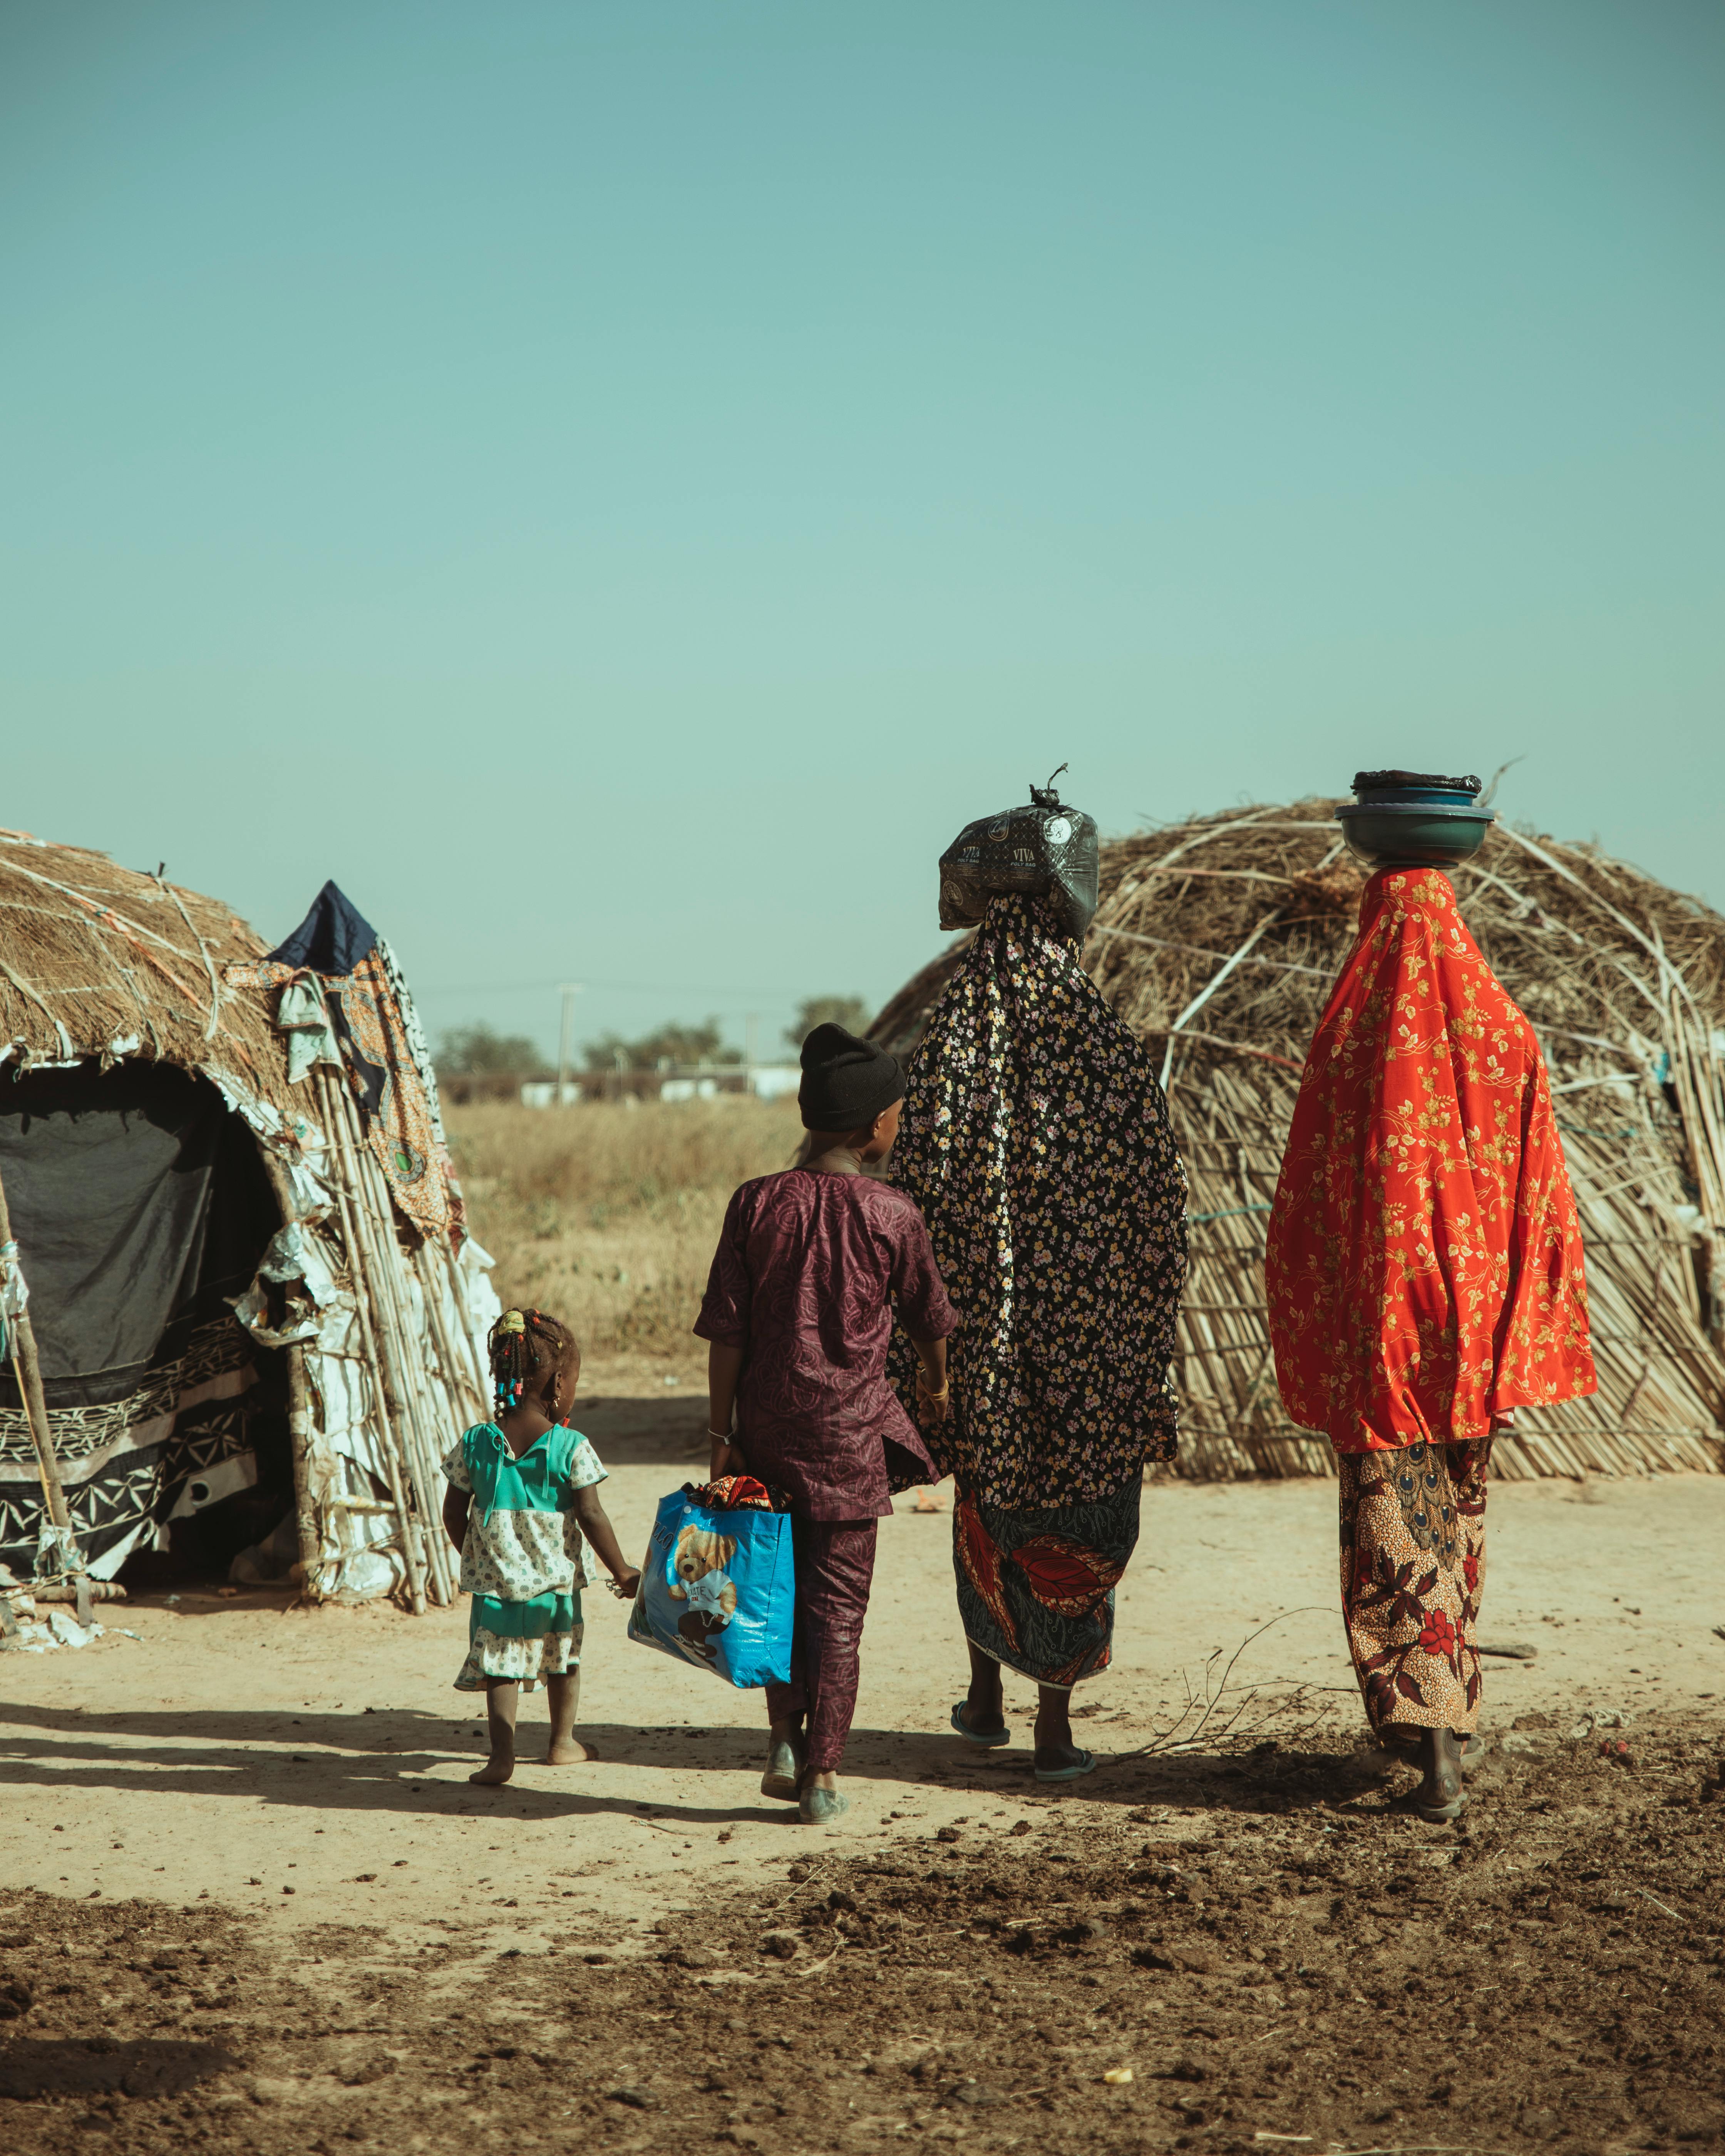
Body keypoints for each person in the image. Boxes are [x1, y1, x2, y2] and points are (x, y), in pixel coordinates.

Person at [1266, 865, 1595, 1821]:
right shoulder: (1505, 1036)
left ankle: (1436, 1749)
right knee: (1455, 1527)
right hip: (1467, 1342)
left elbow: (1306, 1205)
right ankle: (1445, 1727)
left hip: (1379, 1347)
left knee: (1393, 1542)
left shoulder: (1348, 1038)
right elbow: (1543, 1195)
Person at [888, 890, 1189, 1783]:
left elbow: (916, 1192)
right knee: (1076, 1515)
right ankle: (1052, 1730)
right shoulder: (1100, 1046)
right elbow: (1158, 1202)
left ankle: (985, 1699)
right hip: (1091, 1349)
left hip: (984, 1342)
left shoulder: (951, 1048)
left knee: (989, 1500)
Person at [696, 1022, 958, 1826]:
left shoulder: (757, 1202)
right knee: (838, 1612)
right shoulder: (891, 1212)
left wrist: (720, 1433)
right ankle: (822, 1775)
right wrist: (937, 1386)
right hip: (849, 1441)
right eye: (894, 1112)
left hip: (767, 1433)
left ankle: (782, 1738)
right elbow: (929, 1320)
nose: (898, 1123)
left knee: (771, 1591)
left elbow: (728, 1331)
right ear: (868, 1123)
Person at [441, 1307, 642, 1787]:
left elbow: (453, 1511)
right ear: (556, 1386)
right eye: (572, 1382)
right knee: (563, 1657)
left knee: (500, 1665)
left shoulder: (476, 1443)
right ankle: (562, 1742)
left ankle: (501, 1758)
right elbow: (591, 1513)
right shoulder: (569, 1445)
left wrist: (475, 1556)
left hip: (497, 1587)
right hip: (555, 1586)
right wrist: (623, 1570)